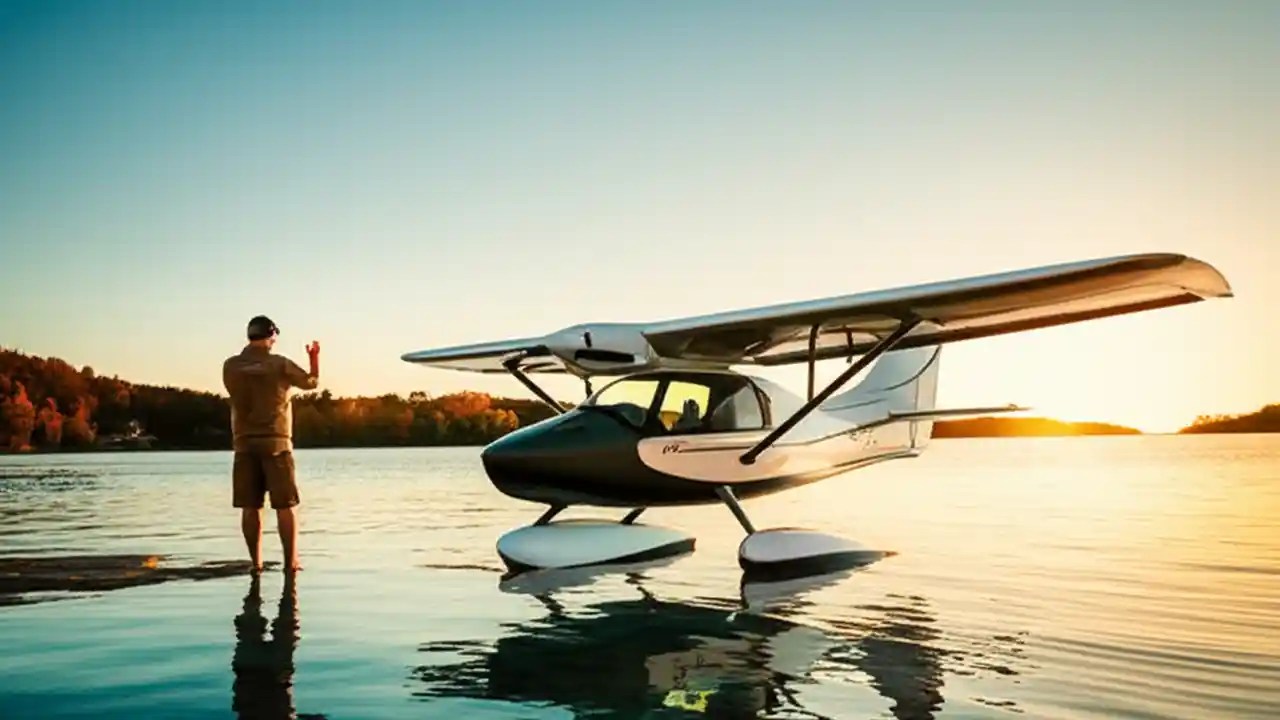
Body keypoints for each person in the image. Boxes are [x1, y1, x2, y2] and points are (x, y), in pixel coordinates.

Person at [222, 315, 319, 573]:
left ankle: (256, 563)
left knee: (250, 506)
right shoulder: (280, 364)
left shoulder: (230, 366)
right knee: (286, 505)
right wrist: (314, 359)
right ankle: (291, 563)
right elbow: (311, 383)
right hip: (277, 442)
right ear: (272, 335)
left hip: (244, 443)